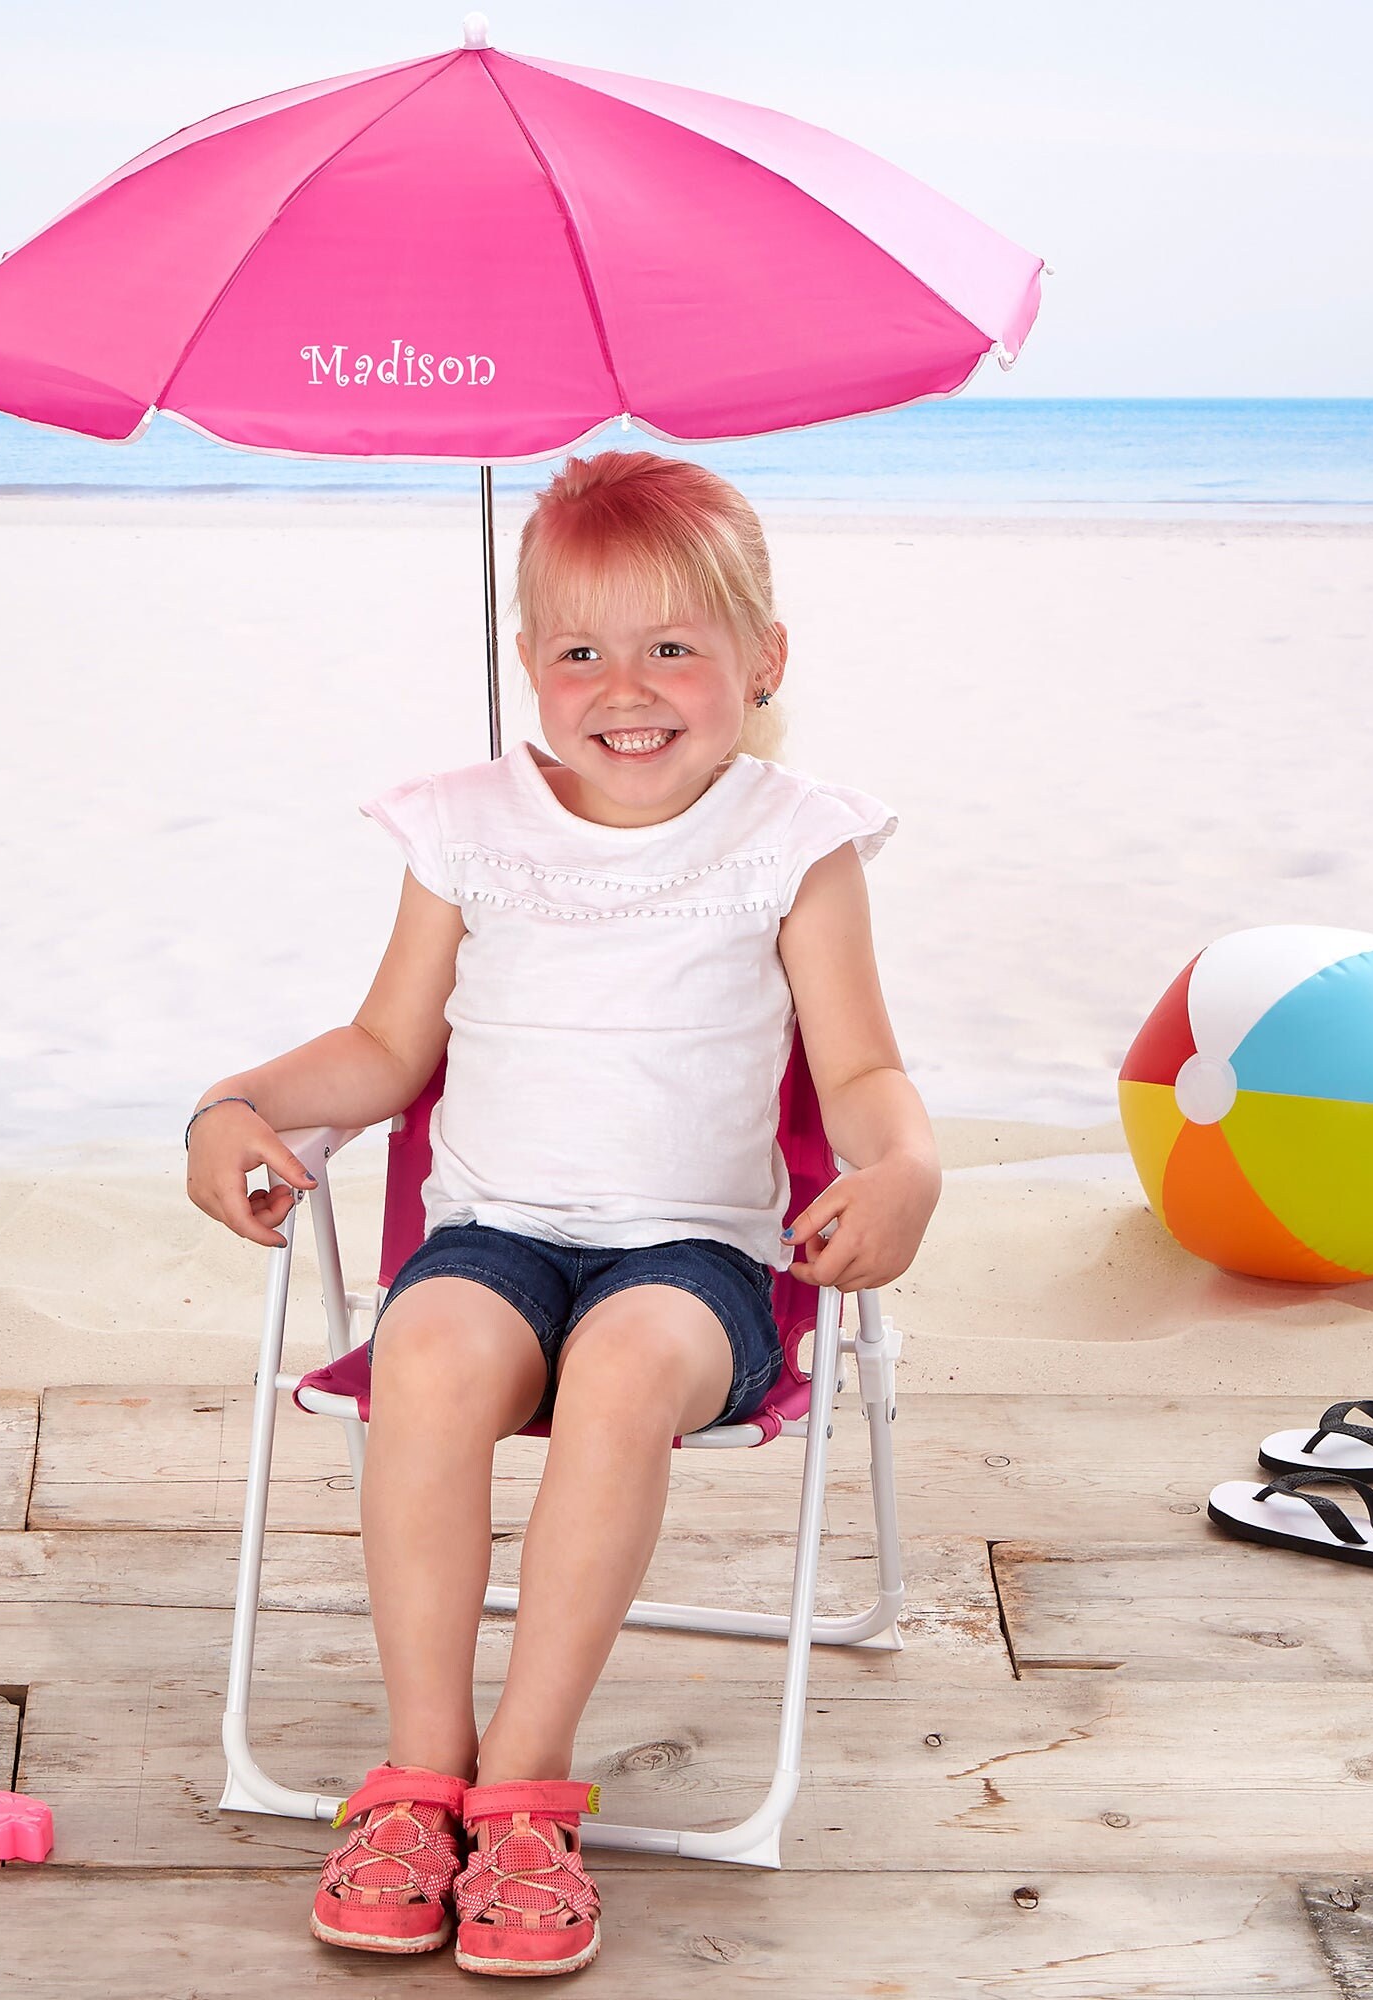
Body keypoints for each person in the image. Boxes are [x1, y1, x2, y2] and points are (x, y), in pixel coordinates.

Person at [185, 450, 941, 1978]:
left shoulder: (794, 843)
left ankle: (523, 1790)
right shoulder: (465, 828)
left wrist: (905, 1169)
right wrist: (236, 1100)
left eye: (676, 645)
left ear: (763, 661)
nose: (626, 687)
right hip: (493, 1238)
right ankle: (417, 1779)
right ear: (524, 664)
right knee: (433, 1350)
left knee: (621, 1368)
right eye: (580, 649)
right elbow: (388, 1051)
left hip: (696, 1264)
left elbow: (858, 1065)